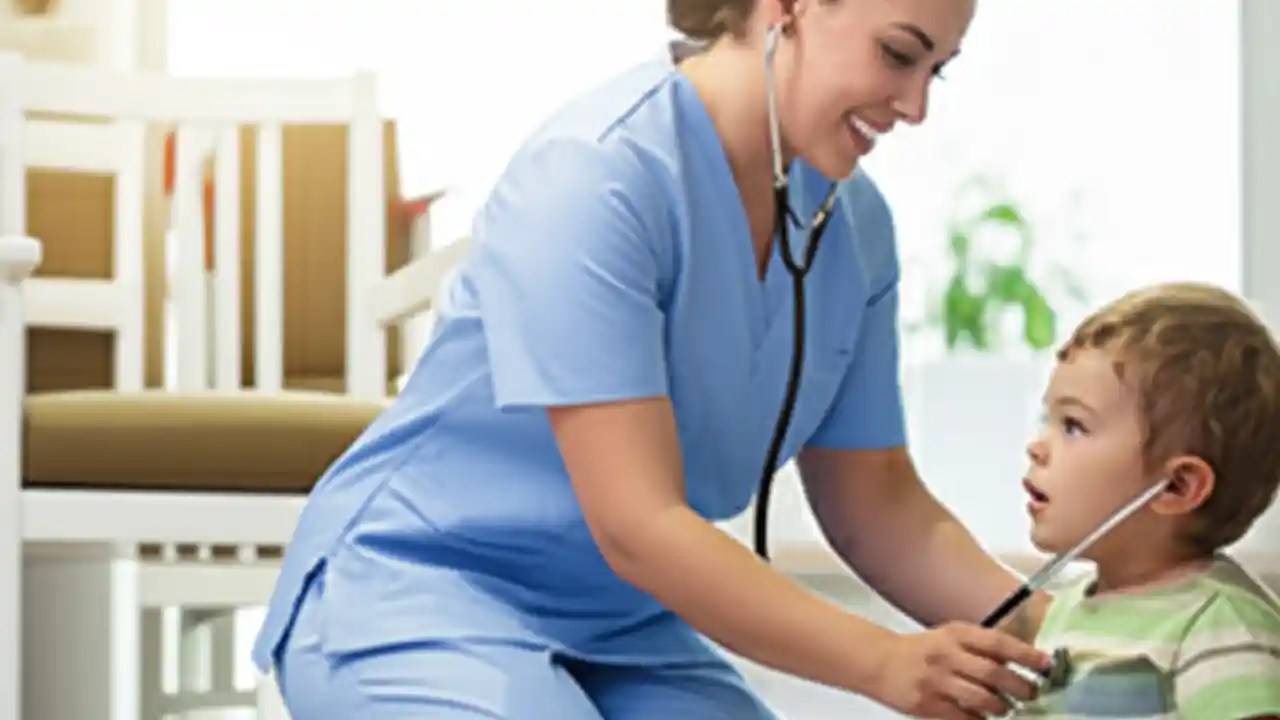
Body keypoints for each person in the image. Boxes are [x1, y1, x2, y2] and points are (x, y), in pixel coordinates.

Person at [252, 0, 1057, 717]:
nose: (914, 107)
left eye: (936, 73)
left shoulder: (853, 228)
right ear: (789, 7)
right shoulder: (597, 175)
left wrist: (1072, 635)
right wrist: (884, 662)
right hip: (421, 589)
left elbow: (877, 501)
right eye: (897, 55)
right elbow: (639, 524)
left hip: (621, 623)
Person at [1016, 282, 1280, 719]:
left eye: (1074, 425)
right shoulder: (1069, 607)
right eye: (1049, 419)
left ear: (1177, 487)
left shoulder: (1221, 623)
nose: (1037, 447)